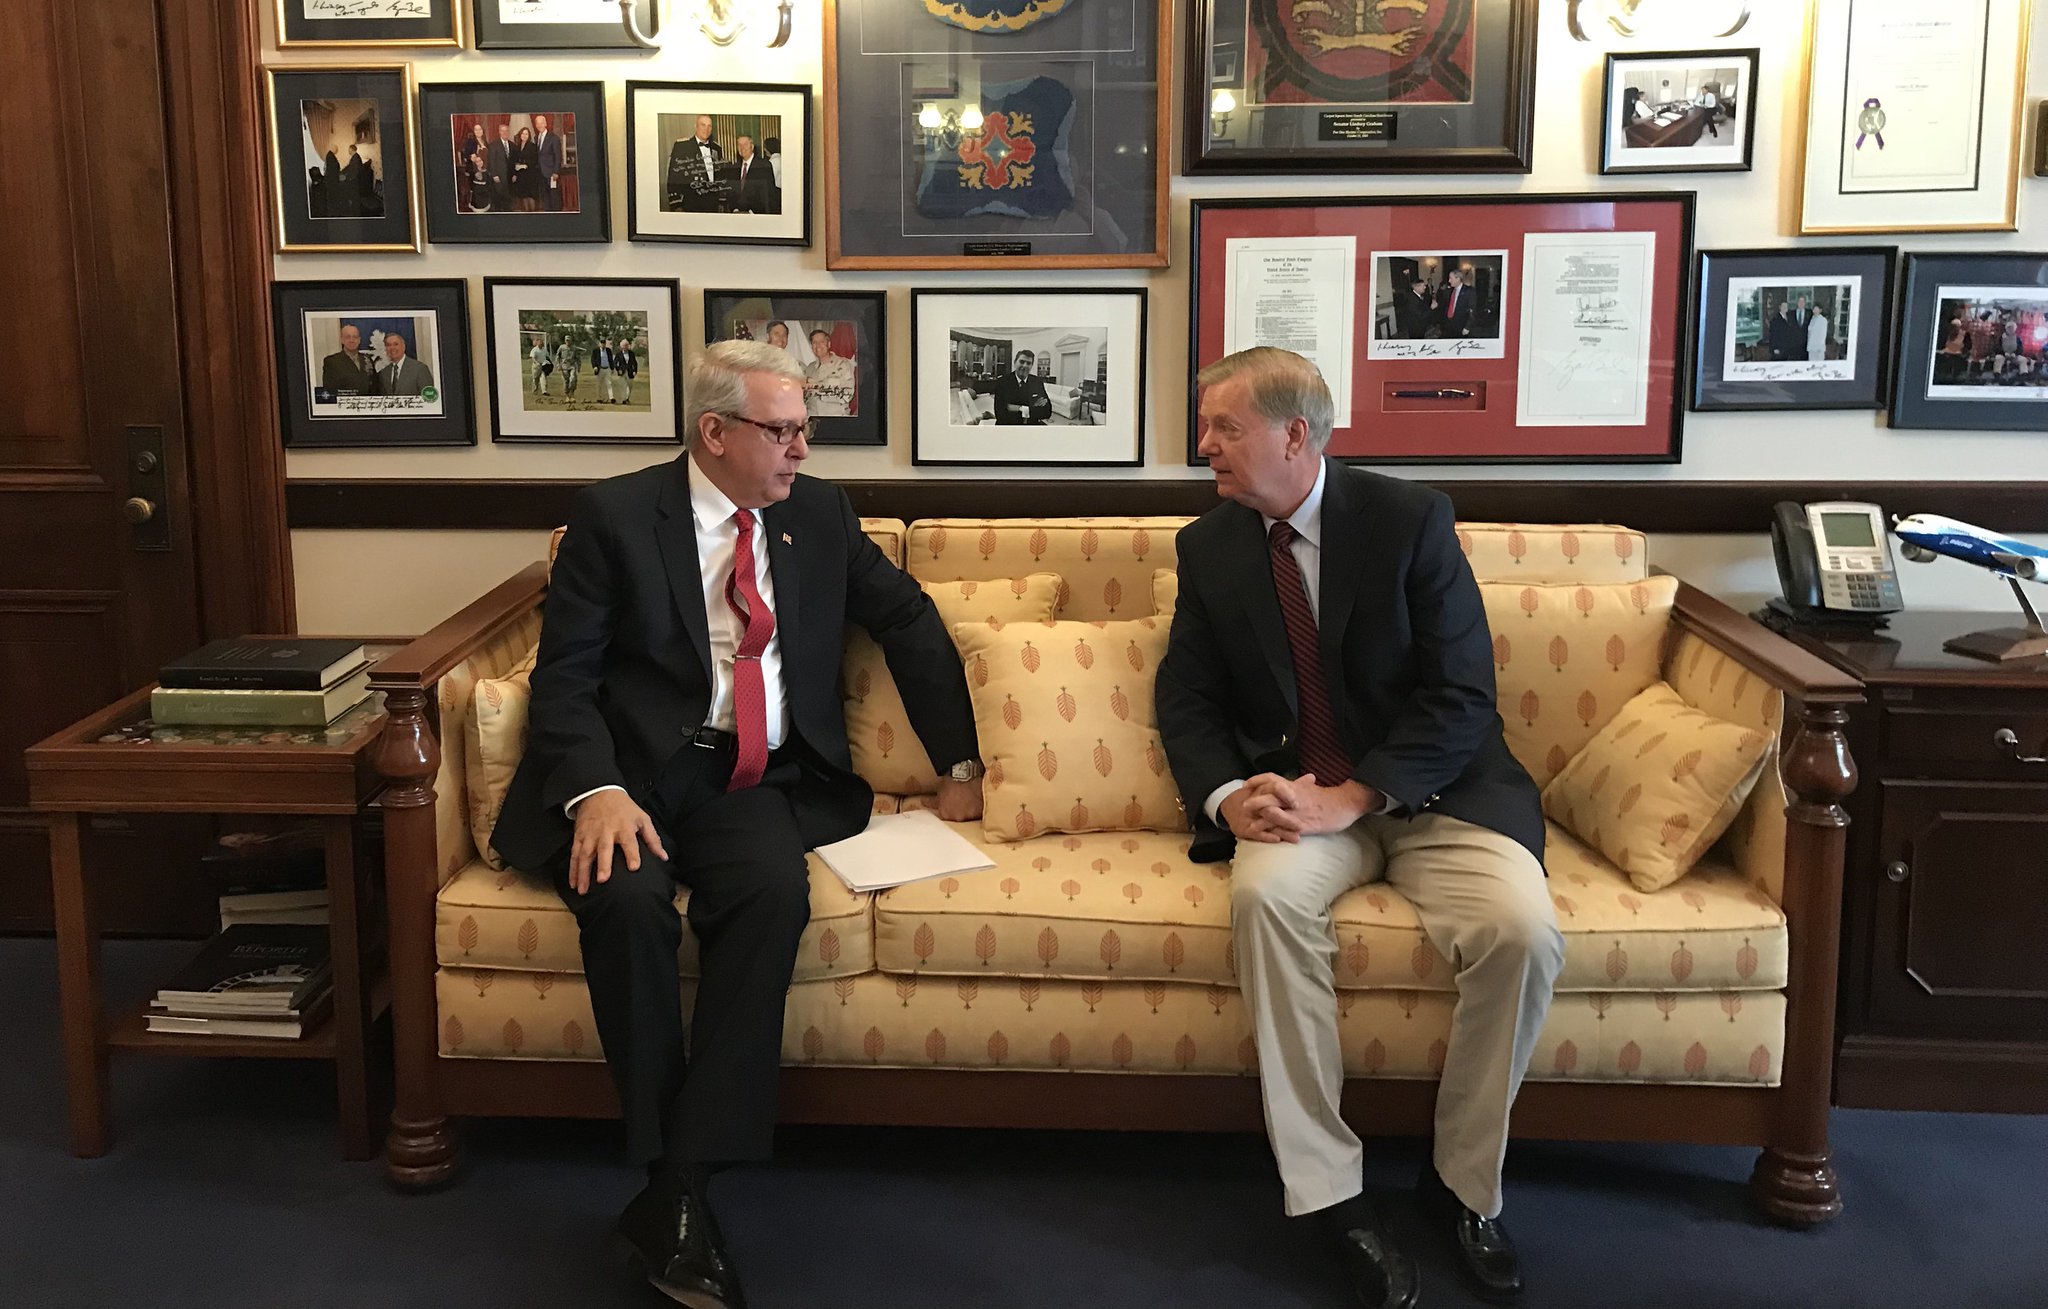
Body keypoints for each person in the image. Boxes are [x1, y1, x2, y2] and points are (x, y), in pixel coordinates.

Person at [490, 340, 984, 1309]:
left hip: (753, 778)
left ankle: (672, 1188)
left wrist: (956, 765)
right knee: (626, 901)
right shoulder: (616, 515)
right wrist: (592, 790)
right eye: (784, 430)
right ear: (714, 433)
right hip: (629, 778)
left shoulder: (819, 515)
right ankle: (670, 1179)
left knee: (768, 893)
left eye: (806, 429)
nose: (802, 449)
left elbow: (909, 618)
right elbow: (565, 677)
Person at [1157, 347, 1562, 1309]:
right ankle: (1332, 1195)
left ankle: (1463, 1188)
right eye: (1206, 425)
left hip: (1439, 795)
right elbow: (1187, 698)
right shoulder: (1209, 544)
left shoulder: (1410, 520)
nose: (1203, 444)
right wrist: (1226, 797)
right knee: (1263, 904)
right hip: (1300, 802)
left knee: (1522, 933)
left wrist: (1361, 794)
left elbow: (1462, 695)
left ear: (1295, 435)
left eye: (1224, 427)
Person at [665, 114, 724, 212]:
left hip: (712, 205)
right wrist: (676, 204)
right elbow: (673, 176)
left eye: (709, 126)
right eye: (703, 125)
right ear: (695, 126)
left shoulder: (716, 148)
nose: (706, 129)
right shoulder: (682, 146)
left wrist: (721, 201)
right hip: (690, 204)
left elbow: (719, 175)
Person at [989, 349, 1052, 424]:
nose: (1025, 365)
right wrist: (1034, 407)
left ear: (1031, 366)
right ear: (1015, 363)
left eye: (1028, 363)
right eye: (1022, 362)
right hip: (1009, 428)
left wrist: (1019, 408)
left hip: (1031, 427)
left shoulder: (1037, 382)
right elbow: (1000, 414)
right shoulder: (1002, 382)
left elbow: (1047, 412)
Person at [804, 328, 856, 417]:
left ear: (828, 344)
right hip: (812, 420)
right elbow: (805, 397)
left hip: (835, 418)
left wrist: (817, 388)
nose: (818, 346)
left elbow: (847, 394)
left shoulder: (843, 364)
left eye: (821, 342)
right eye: (814, 343)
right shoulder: (810, 368)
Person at [727, 134, 780, 214]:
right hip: (737, 215)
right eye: (739, 145)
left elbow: (769, 195)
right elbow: (731, 193)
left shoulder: (764, 165)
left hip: (757, 214)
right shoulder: (734, 168)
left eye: (745, 144)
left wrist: (752, 212)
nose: (742, 148)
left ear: (752, 147)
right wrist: (735, 210)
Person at [320, 323, 376, 396]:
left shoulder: (367, 359)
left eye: (355, 337)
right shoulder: (331, 362)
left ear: (359, 340)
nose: (351, 340)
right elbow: (330, 392)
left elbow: (374, 387)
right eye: (348, 337)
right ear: (342, 340)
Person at [377, 328, 434, 396]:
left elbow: (430, 398)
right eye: (388, 345)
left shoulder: (420, 369)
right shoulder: (383, 373)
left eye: (396, 344)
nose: (392, 348)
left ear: (404, 346)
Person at [534, 114, 564, 212]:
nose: (539, 125)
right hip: (540, 173)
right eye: (537, 123)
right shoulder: (536, 138)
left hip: (551, 173)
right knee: (544, 196)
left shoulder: (553, 138)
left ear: (545, 123)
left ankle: (557, 216)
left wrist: (556, 172)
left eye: (541, 123)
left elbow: (558, 156)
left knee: (554, 195)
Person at [458, 123, 490, 212]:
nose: (478, 131)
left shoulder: (485, 142)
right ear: (474, 131)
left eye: (480, 129)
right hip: (475, 170)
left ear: (483, 131)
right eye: (476, 129)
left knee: (485, 192)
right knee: (477, 193)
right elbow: (467, 155)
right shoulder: (471, 141)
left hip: (485, 170)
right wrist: (474, 159)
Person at [1436, 268, 1474, 339]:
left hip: (1461, 325)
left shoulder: (1469, 291)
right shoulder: (1449, 291)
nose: (1449, 280)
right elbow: (1445, 305)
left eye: (1451, 278)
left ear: (1458, 278)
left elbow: (1473, 310)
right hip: (1448, 324)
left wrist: (1467, 327)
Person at [511, 126, 541, 212]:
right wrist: (515, 172)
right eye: (523, 133)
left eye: (526, 134)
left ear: (529, 136)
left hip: (530, 176)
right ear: (520, 135)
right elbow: (514, 160)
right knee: (523, 196)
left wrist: (525, 166)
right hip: (521, 176)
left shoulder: (532, 146)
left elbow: (535, 161)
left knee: (531, 196)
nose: (524, 135)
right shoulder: (517, 146)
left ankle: (533, 215)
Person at [1393, 275, 1433, 340]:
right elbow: (1420, 315)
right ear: (1417, 287)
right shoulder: (1412, 299)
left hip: (1419, 325)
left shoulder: (1417, 296)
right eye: (1423, 286)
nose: (1425, 287)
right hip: (1416, 327)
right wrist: (1431, 308)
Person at [488, 123, 516, 213]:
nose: (505, 132)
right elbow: (491, 161)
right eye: (502, 130)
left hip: (509, 177)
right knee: (498, 198)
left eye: (507, 131)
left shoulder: (512, 145)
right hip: (498, 176)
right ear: (499, 132)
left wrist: (514, 174)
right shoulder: (493, 145)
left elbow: (513, 162)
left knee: (508, 198)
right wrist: (494, 174)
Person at [611, 337, 639, 405]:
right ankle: (624, 399)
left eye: (626, 345)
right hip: (622, 372)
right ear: (621, 346)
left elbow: (635, 363)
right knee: (623, 386)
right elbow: (614, 363)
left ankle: (627, 398)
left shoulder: (631, 353)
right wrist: (618, 369)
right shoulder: (619, 354)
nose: (625, 347)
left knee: (629, 386)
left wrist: (635, 371)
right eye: (623, 345)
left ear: (628, 346)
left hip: (630, 371)